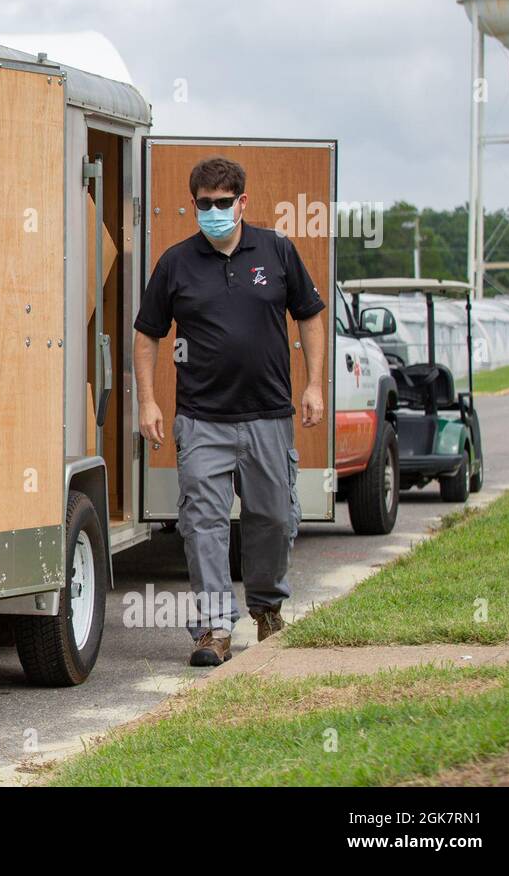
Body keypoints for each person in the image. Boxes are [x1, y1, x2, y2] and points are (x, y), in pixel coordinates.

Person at [132, 156, 326, 666]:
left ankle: (266, 609)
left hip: (268, 415)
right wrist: (148, 400)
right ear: (193, 203)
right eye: (204, 203)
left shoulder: (278, 252)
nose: (214, 211)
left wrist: (314, 386)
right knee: (204, 523)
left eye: (223, 203)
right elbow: (148, 334)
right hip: (201, 420)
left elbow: (310, 317)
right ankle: (215, 629)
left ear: (242, 202)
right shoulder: (176, 262)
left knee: (273, 518)